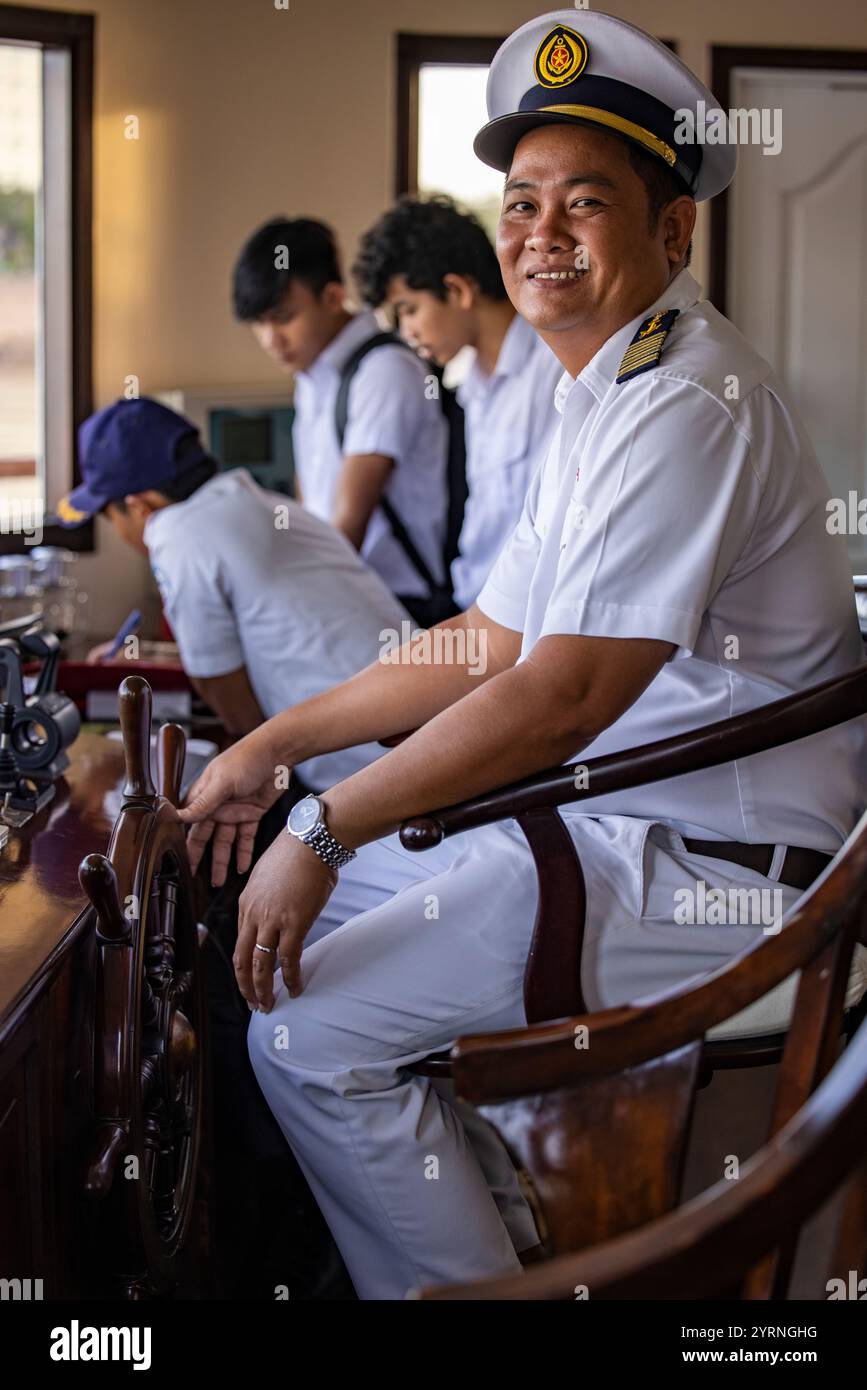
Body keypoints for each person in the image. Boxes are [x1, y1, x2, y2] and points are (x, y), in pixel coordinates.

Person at [178, 9, 865, 1299]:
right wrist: (274, 746)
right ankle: (498, 1233)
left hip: (721, 873)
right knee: (293, 944)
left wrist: (321, 827)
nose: (540, 234)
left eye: (585, 204)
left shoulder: (684, 398)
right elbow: (485, 640)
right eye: (522, 202)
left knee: (305, 1032)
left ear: (675, 231)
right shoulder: (596, 389)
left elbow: (560, 694)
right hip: (625, 827)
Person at [56, 396, 411, 801]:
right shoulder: (266, 505)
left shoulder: (178, 533)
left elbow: (228, 697)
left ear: (139, 506)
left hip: (361, 772)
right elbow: (267, 643)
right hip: (419, 733)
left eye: (110, 517)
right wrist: (152, 656)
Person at [232, 217, 451, 625]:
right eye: (259, 324)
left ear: (332, 297)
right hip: (345, 593)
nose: (270, 339)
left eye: (283, 317)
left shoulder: (384, 370)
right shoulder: (311, 379)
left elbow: (349, 523)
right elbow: (310, 503)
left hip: (399, 606)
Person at [354, 194, 561, 609]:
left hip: (531, 622)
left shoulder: (554, 368)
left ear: (457, 290)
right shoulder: (472, 388)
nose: (407, 332)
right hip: (476, 609)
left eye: (408, 310)